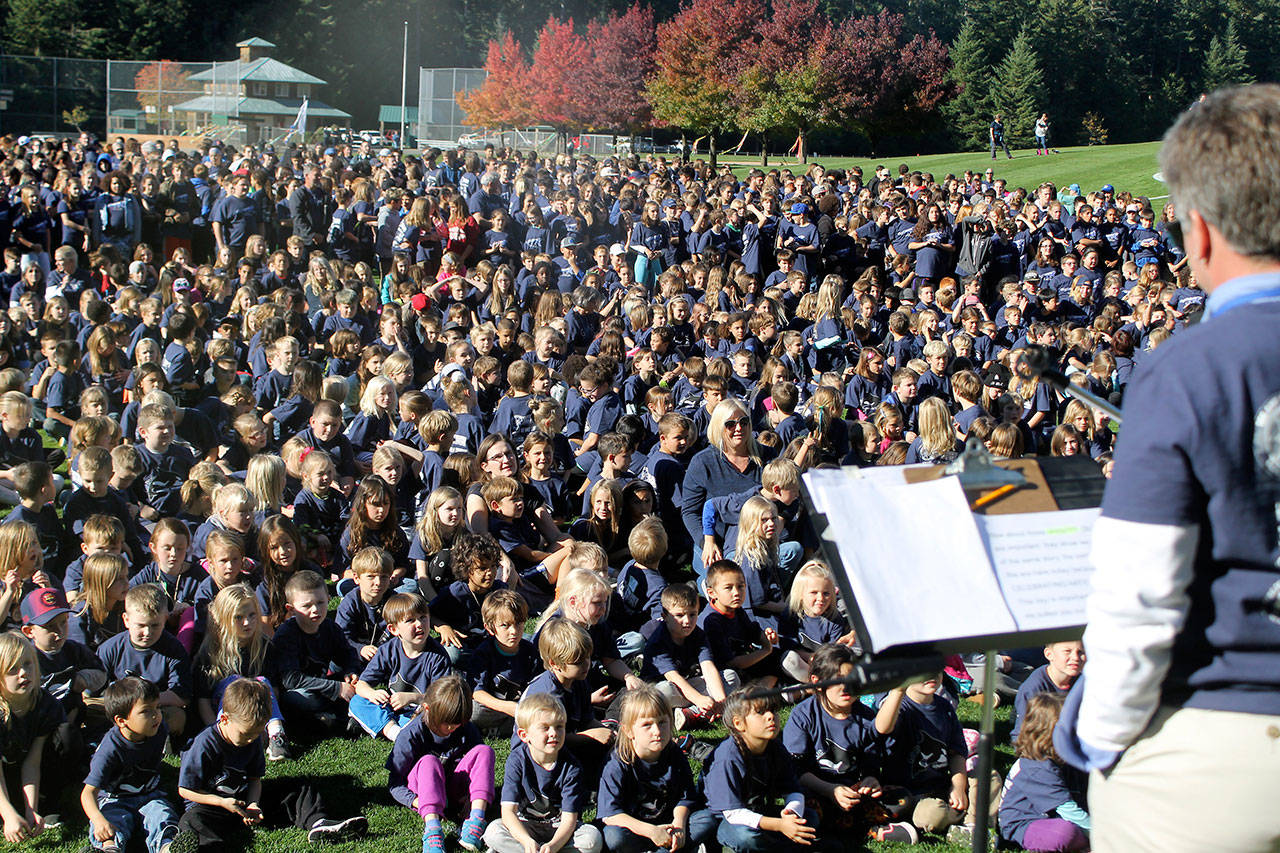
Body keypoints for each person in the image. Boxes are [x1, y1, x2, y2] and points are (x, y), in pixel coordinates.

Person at [1055, 83, 1280, 853]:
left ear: (1203, 232)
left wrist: (1101, 737)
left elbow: (1140, 591)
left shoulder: (1186, 369)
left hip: (1222, 738)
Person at [597, 686, 718, 853]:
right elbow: (610, 814)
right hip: (637, 831)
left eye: (662, 722)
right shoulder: (617, 763)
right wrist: (651, 832)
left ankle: (669, 847)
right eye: (647, 725)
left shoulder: (674, 752)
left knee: (707, 819)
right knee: (614, 837)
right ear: (628, 730)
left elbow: (686, 797)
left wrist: (679, 825)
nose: (657, 731)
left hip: (670, 825)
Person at [482, 692, 603, 853]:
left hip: (558, 829)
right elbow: (508, 812)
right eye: (545, 728)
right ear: (524, 735)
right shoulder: (517, 760)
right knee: (493, 832)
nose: (553, 733)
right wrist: (526, 841)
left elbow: (569, 819)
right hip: (525, 825)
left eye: (559, 727)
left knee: (592, 839)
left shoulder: (571, 766)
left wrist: (553, 846)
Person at [385, 674, 494, 853]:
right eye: (446, 724)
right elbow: (395, 784)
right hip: (425, 793)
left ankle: (476, 819)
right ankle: (433, 831)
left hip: (454, 789)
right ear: (427, 709)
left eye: (457, 724)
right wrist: (417, 801)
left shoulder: (466, 728)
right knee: (429, 761)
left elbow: (479, 765)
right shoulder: (410, 735)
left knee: (484, 751)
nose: (451, 729)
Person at [80, 677, 182, 853]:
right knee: (112, 820)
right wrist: (98, 819)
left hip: (150, 794)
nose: (156, 715)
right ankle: (109, 849)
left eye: (157, 707)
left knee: (162, 814)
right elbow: (88, 793)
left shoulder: (159, 729)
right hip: (115, 798)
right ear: (121, 721)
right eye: (146, 711)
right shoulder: (109, 749)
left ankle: (167, 847)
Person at [1000, 693, 1089, 852]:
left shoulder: (1067, 758)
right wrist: (1102, 837)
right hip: (1027, 823)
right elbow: (1068, 810)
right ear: (1048, 733)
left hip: (1060, 818)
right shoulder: (1036, 766)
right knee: (1064, 833)